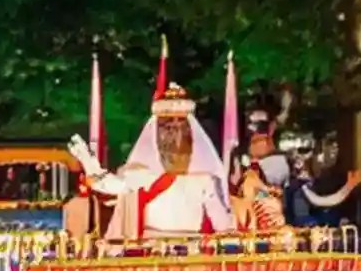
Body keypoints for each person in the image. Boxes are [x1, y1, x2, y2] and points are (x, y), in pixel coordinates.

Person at [69, 75, 236, 239]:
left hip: (192, 255)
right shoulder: (142, 173)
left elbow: (224, 226)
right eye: (168, 129)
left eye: (180, 129)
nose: (175, 136)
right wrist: (90, 164)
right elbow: (108, 185)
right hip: (151, 253)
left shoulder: (205, 180)